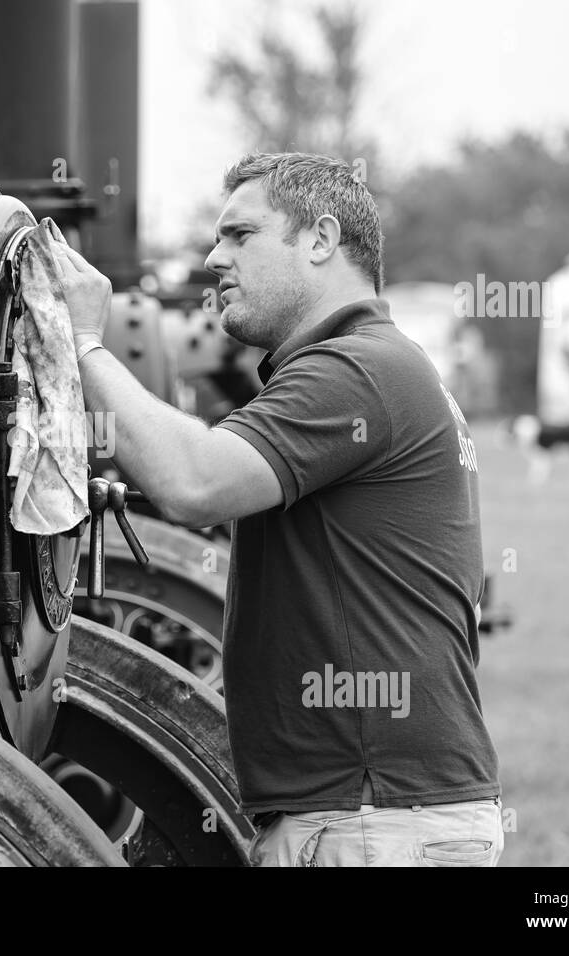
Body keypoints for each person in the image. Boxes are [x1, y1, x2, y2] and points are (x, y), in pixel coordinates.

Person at [51, 152, 502, 866]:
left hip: (369, 823)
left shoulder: (356, 371)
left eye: (240, 235)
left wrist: (83, 343)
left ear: (320, 239)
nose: (213, 258)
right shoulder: (378, 365)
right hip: (372, 815)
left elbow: (193, 482)